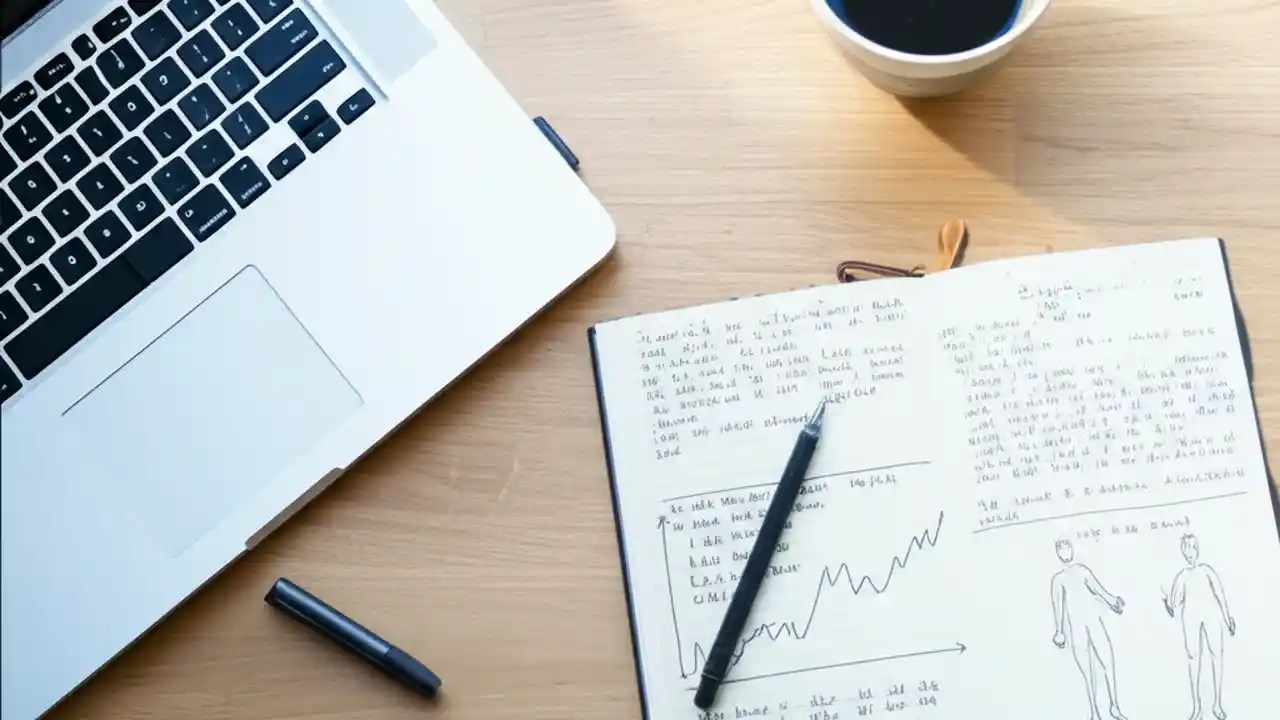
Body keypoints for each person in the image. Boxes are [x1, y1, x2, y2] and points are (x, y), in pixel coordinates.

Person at [1050, 538, 1128, 720]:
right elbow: (1058, 607)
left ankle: (1114, 706)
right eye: (1061, 548)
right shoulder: (1058, 580)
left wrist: (1113, 601)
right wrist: (1059, 632)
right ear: (1058, 553)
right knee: (1088, 673)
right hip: (1077, 629)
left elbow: (1099, 590)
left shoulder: (1082, 570)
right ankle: (1094, 713)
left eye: (1067, 547)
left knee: (1107, 661)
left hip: (1094, 623)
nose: (1065, 551)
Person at [1164, 534, 1236, 720]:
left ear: (1197, 548)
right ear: (1182, 551)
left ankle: (1217, 704)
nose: (1189, 551)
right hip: (1190, 617)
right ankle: (1197, 708)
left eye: (1192, 546)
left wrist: (1228, 619)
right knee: (1193, 658)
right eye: (1186, 548)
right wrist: (1168, 603)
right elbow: (1174, 603)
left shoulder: (1206, 570)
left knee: (1216, 655)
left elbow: (1220, 594)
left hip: (1211, 615)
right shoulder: (1182, 576)